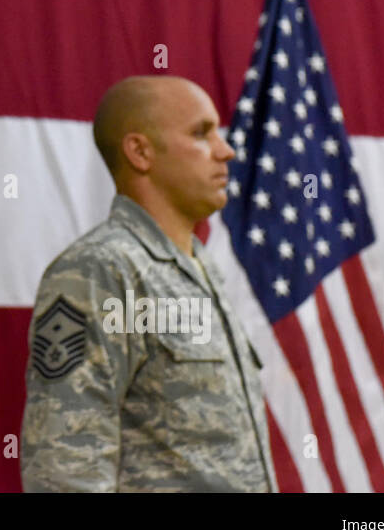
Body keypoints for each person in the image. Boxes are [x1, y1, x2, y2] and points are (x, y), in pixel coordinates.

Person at [21, 75, 275, 492]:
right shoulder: (100, 271)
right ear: (140, 152)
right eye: (201, 133)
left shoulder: (203, 268)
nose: (225, 150)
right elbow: (65, 466)